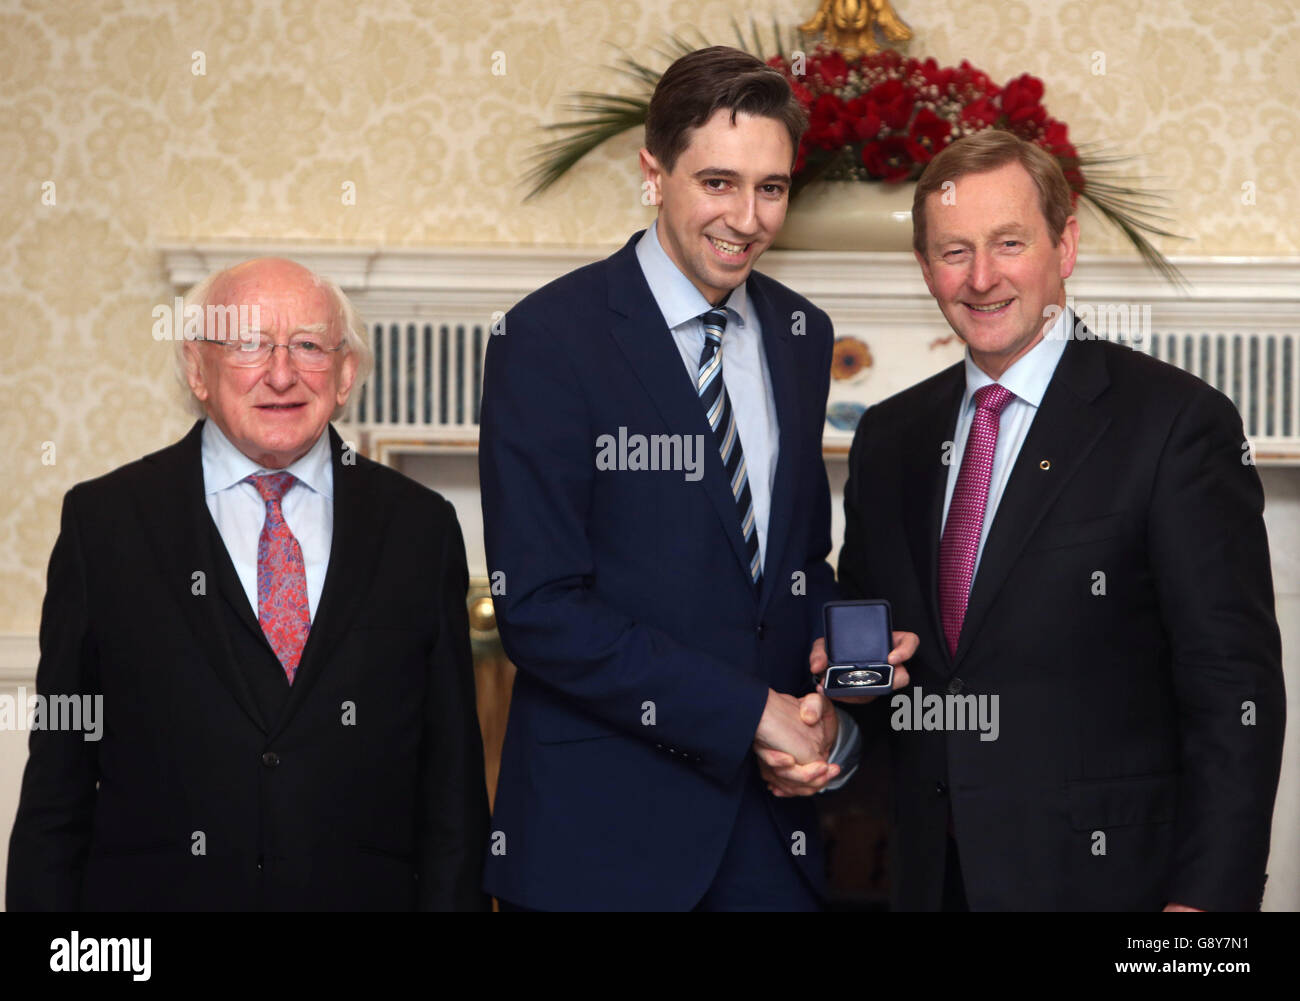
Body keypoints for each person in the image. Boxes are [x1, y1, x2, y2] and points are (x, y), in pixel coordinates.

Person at [479, 46, 916, 911]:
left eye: (772, 188)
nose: (747, 218)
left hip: (770, 838)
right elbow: (539, 607)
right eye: (718, 182)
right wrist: (755, 711)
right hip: (600, 845)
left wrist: (848, 670)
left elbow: (790, 563)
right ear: (653, 173)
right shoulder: (547, 339)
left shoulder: (800, 332)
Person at [829, 129, 1286, 910]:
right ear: (923, 266)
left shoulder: (1175, 423)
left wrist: (1207, 908)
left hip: (1113, 884)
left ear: (1064, 246)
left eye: (1010, 242)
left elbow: (1233, 690)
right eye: (953, 251)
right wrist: (841, 706)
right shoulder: (891, 434)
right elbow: (875, 645)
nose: (981, 278)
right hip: (924, 878)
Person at [7, 257, 489, 911]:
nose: (281, 373)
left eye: (308, 345)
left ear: (345, 373)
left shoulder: (421, 529)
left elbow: (451, 786)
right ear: (196, 369)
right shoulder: (106, 524)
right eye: (247, 344)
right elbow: (57, 787)